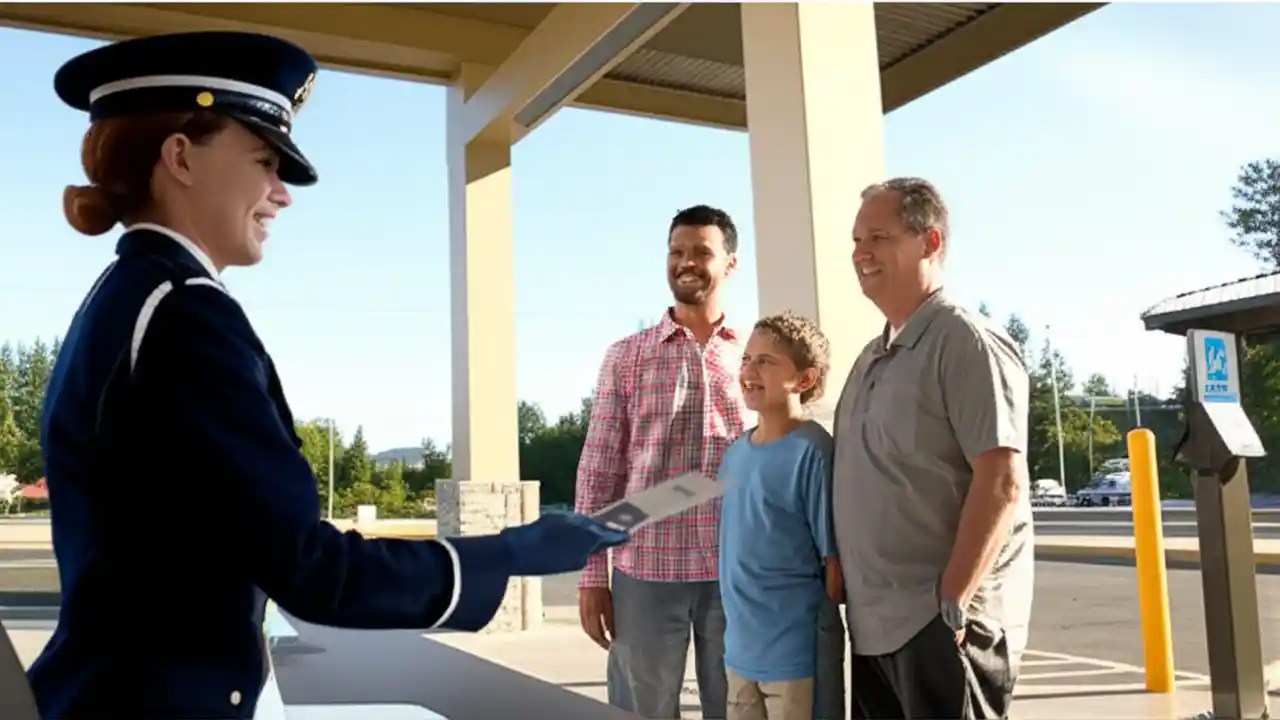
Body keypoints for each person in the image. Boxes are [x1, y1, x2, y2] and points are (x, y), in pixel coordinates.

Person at [28, 31, 628, 720]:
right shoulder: (185, 315)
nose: (279, 194)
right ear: (181, 157)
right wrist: (507, 552)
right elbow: (309, 568)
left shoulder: (132, 294)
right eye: (263, 161)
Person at [833, 177, 1034, 720]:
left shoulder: (965, 342)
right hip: (876, 629)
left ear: (931, 242)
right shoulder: (872, 357)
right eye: (855, 241)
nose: (861, 253)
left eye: (878, 236)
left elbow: (1001, 480)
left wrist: (954, 597)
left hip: (941, 624)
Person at [574, 205, 750, 719]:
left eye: (701, 252)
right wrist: (592, 575)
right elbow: (598, 470)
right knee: (640, 712)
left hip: (735, 569)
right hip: (645, 567)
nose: (686, 262)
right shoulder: (626, 356)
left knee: (739, 709)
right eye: (677, 251)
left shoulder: (754, 355)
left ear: (730, 264)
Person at [717, 311, 846, 720]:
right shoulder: (734, 454)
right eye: (746, 359)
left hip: (795, 660)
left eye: (766, 362)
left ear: (805, 380)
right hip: (739, 655)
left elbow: (834, 570)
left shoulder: (813, 451)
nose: (749, 371)